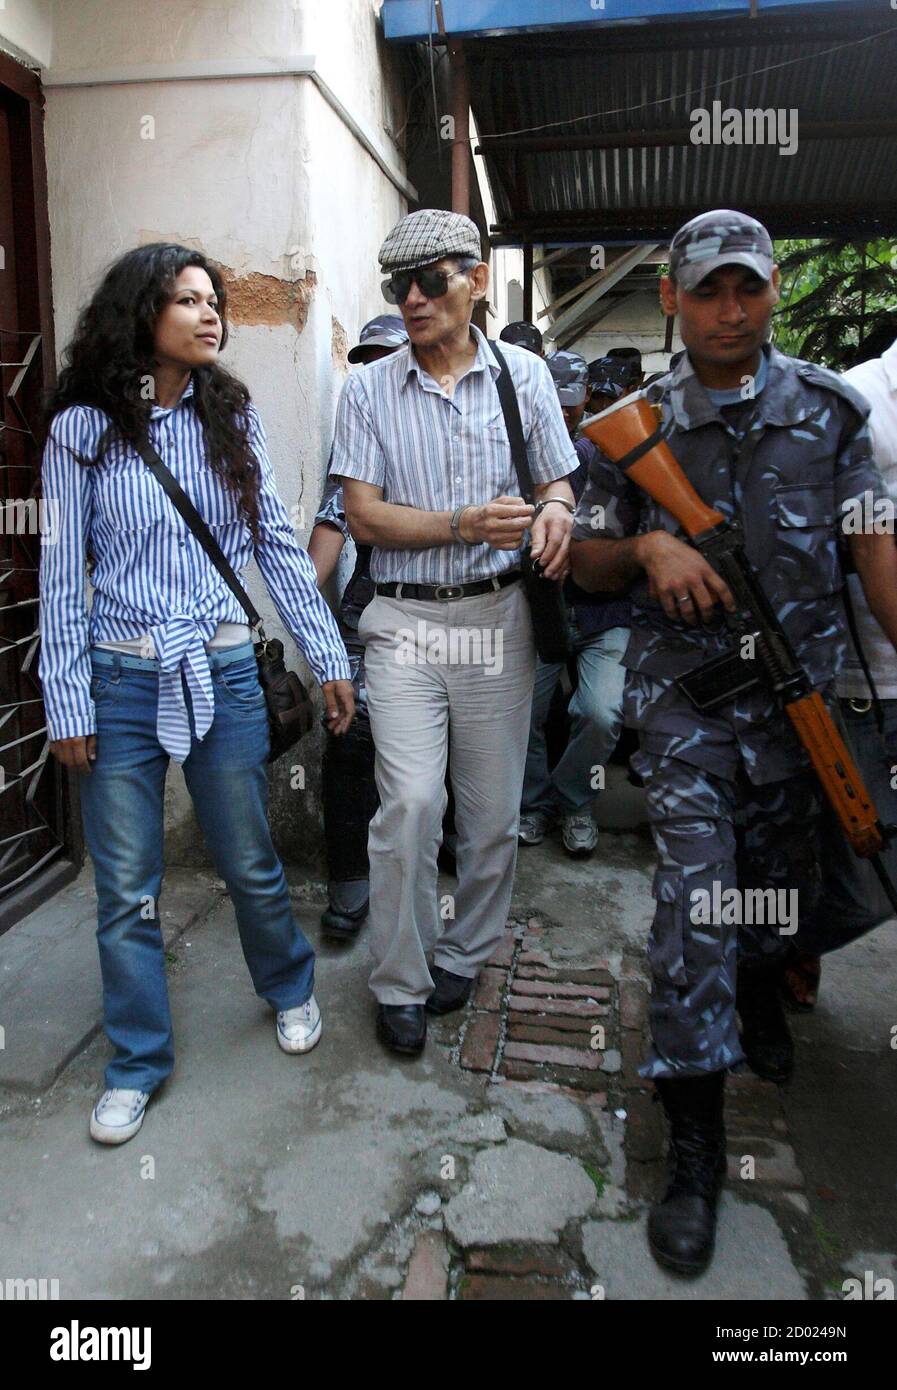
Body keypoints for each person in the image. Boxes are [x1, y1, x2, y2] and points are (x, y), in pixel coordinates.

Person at [570, 210, 897, 1276]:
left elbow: (874, 552)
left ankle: (763, 985)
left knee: (778, 882)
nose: (728, 310)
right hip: (687, 706)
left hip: (798, 702)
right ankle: (696, 1144)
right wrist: (650, 545)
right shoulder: (634, 420)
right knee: (696, 903)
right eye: (707, 289)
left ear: (772, 293)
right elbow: (579, 560)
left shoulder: (835, 414)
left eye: (746, 289)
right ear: (672, 294)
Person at [39, 244, 354, 1145]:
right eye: (188, 300)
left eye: (214, 300)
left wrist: (325, 651)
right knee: (126, 886)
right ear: (142, 315)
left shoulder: (231, 418)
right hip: (120, 678)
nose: (211, 314)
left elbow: (276, 551)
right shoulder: (82, 432)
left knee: (249, 857)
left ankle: (288, 986)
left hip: (220, 669)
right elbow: (62, 575)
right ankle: (136, 1062)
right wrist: (67, 701)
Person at [331, 208, 577, 1057]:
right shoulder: (367, 387)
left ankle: (466, 950)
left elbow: (557, 484)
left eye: (428, 280)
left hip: (497, 619)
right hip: (401, 619)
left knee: (490, 813)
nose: (410, 299)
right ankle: (397, 980)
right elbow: (361, 516)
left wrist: (552, 515)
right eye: (395, 283)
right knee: (407, 803)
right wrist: (463, 522)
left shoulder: (525, 377)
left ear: (474, 279)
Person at [783, 332, 897, 1001]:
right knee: (867, 884)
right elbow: (863, 545)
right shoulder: (858, 401)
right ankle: (777, 949)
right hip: (858, 682)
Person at [308, 316, 408, 941]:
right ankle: (349, 880)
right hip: (369, 612)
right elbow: (329, 531)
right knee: (350, 737)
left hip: (450, 619)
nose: (372, 372)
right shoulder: (355, 449)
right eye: (363, 361)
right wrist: (304, 599)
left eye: (385, 360)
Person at [519, 350, 631, 856]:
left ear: (586, 397)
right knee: (524, 714)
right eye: (555, 402)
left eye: (572, 402)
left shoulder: (612, 450)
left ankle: (574, 801)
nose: (564, 413)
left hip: (606, 612)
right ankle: (534, 805)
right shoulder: (517, 451)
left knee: (601, 712)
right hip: (539, 608)